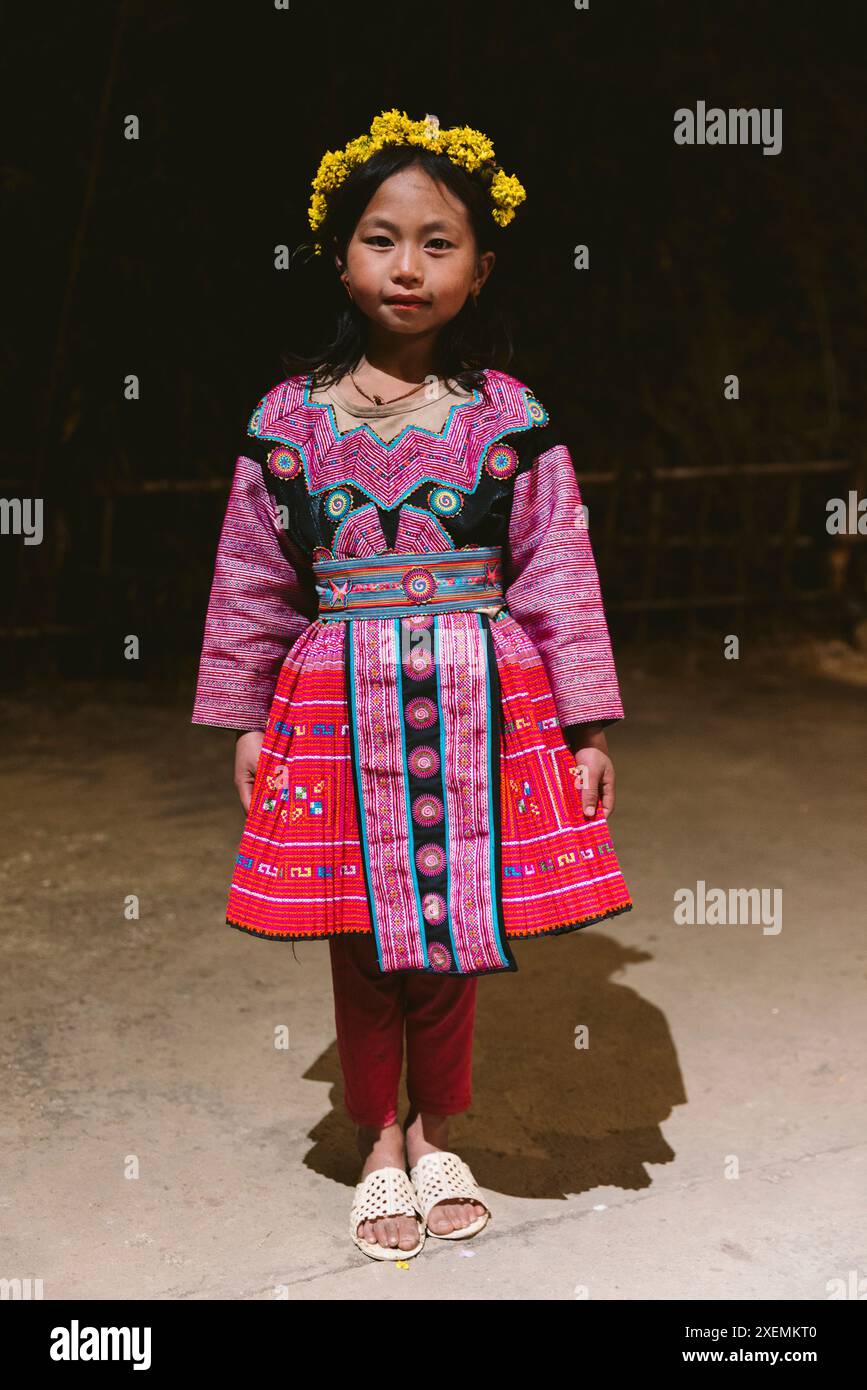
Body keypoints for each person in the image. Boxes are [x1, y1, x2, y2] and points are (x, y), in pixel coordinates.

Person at [191, 110, 634, 1261]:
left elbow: (558, 565)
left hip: (486, 705)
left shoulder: (511, 419)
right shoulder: (286, 421)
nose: (407, 265)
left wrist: (585, 721)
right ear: (340, 257)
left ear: (481, 271)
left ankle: (438, 1130)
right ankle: (377, 1139)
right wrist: (242, 717)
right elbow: (252, 576)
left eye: (439, 243)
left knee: (450, 924)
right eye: (383, 239)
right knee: (362, 926)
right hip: (336, 713)